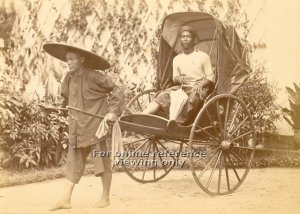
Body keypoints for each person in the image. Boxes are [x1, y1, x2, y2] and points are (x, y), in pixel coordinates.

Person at [43, 43, 125, 210]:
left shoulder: (94, 76)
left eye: (72, 59)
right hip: (77, 127)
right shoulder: (68, 78)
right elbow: (65, 98)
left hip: (95, 127)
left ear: (82, 59)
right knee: (72, 163)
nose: (69, 63)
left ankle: (105, 197)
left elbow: (118, 89)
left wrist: (112, 112)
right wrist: (58, 105)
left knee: (101, 161)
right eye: (67, 60)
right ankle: (65, 199)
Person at [143, 25, 215, 124]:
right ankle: (142, 115)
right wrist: (179, 79)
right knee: (163, 95)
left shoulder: (203, 56)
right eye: (183, 36)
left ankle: (178, 123)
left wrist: (200, 85)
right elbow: (175, 78)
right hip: (182, 88)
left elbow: (210, 77)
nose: (185, 38)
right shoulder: (177, 59)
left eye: (188, 36)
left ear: (193, 39)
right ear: (180, 39)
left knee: (193, 98)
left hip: (198, 88)